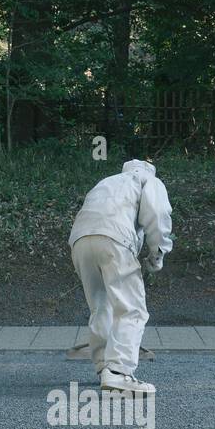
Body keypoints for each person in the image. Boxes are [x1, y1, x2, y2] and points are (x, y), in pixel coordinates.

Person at [68, 159, 173, 394]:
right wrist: (157, 254)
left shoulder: (107, 181)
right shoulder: (149, 181)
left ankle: (104, 365)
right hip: (114, 239)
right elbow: (158, 213)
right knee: (131, 309)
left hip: (80, 241)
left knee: (101, 305)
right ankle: (118, 372)